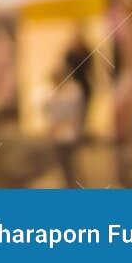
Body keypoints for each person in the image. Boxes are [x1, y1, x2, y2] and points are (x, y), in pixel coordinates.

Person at [42, 57, 87, 188]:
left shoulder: (73, 92)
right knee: (62, 165)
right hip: (58, 135)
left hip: (70, 133)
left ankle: (75, 185)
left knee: (72, 165)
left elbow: (76, 113)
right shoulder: (52, 94)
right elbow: (50, 114)